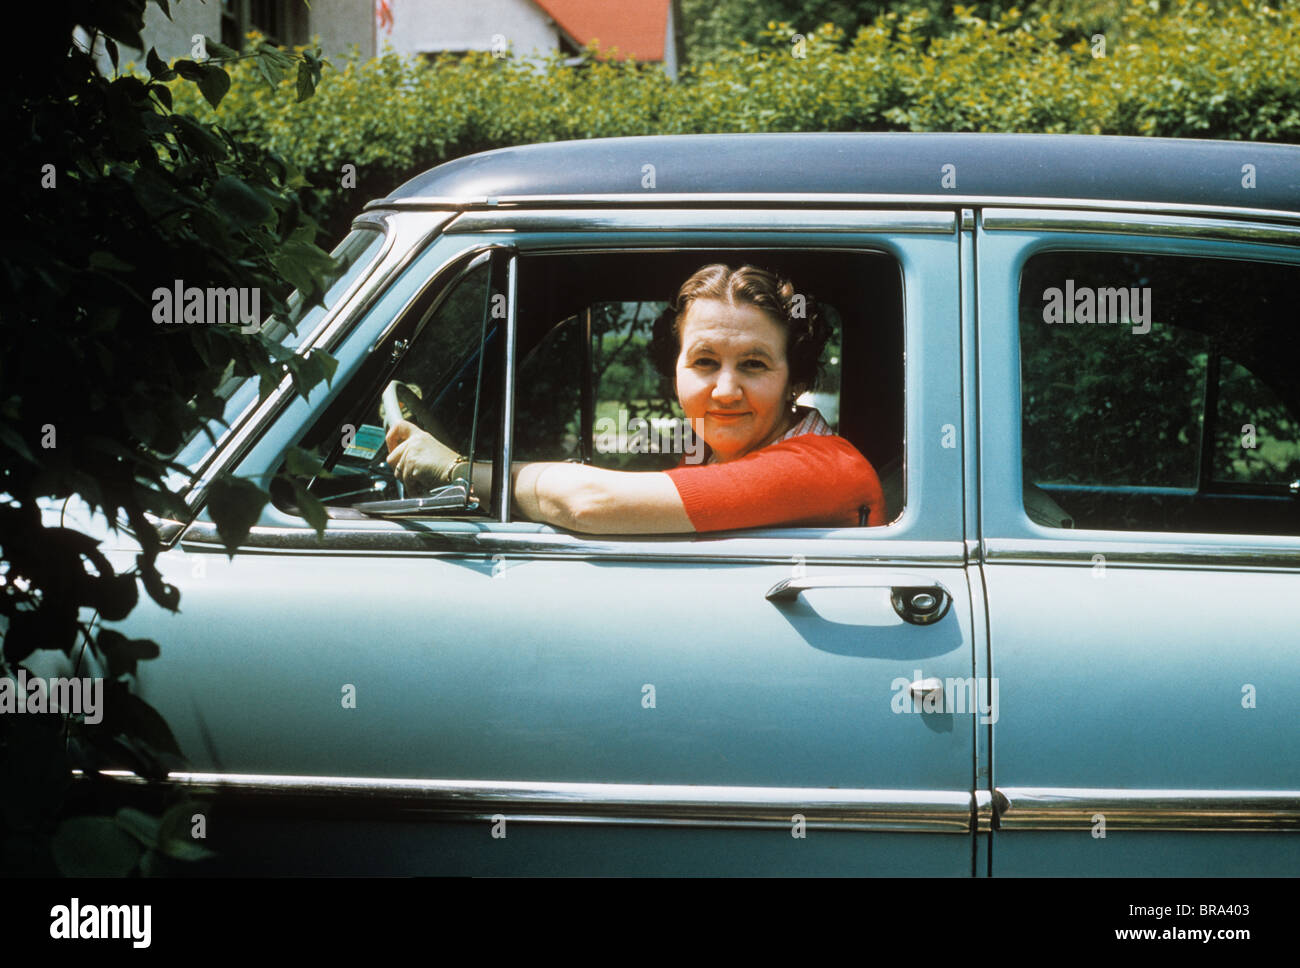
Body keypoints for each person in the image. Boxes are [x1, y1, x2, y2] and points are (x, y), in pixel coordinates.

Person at [385, 263, 887, 533]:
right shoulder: (716, 462)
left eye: (754, 365)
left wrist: (456, 468)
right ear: (676, 371)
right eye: (704, 362)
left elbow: (587, 503)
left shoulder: (823, 467)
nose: (726, 389)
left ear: (794, 380)